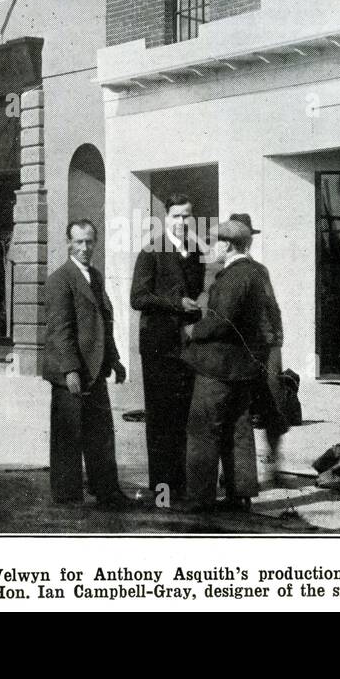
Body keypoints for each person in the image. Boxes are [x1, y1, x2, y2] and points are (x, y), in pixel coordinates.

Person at [178, 219, 270, 513]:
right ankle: (240, 494)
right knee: (238, 430)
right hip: (243, 368)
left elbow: (222, 322)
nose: (210, 247)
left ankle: (200, 499)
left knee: (204, 431)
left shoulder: (231, 276)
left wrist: (194, 331)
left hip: (217, 367)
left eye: (215, 241)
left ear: (228, 245)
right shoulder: (256, 273)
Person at [42, 219, 129, 510]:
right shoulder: (60, 279)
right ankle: (67, 497)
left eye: (90, 241)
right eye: (79, 242)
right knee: (69, 437)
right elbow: (60, 330)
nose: (85, 248)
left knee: (101, 435)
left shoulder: (96, 276)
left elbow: (105, 322)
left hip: (96, 371)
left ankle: (107, 491)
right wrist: (69, 370)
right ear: (68, 243)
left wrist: (115, 360)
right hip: (73, 374)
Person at [130, 193, 205, 502]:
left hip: (186, 346)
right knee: (161, 418)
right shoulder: (152, 250)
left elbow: (201, 292)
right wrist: (176, 304)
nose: (182, 222)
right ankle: (162, 488)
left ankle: (183, 484)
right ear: (166, 218)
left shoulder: (196, 252)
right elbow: (138, 298)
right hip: (159, 346)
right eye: (177, 216)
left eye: (187, 216)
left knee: (185, 416)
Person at [228, 213, 288, 477]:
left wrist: (276, 342)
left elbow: (272, 307)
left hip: (264, 347)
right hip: (235, 349)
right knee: (233, 409)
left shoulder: (259, 270)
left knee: (274, 403)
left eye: (247, 236)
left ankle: (274, 460)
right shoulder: (222, 270)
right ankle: (231, 471)